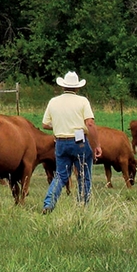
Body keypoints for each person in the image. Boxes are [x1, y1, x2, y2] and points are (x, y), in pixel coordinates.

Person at [40, 71, 103, 213]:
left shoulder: (53, 102)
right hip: (79, 140)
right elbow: (90, 123)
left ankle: (49, 203)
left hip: (61, 142)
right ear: (77, 87)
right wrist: (97, 145)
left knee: (61, 175)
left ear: (63, 86)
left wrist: (58, 126)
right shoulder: (82, 101)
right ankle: (83, 206)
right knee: (84, 175)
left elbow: (45, 124)